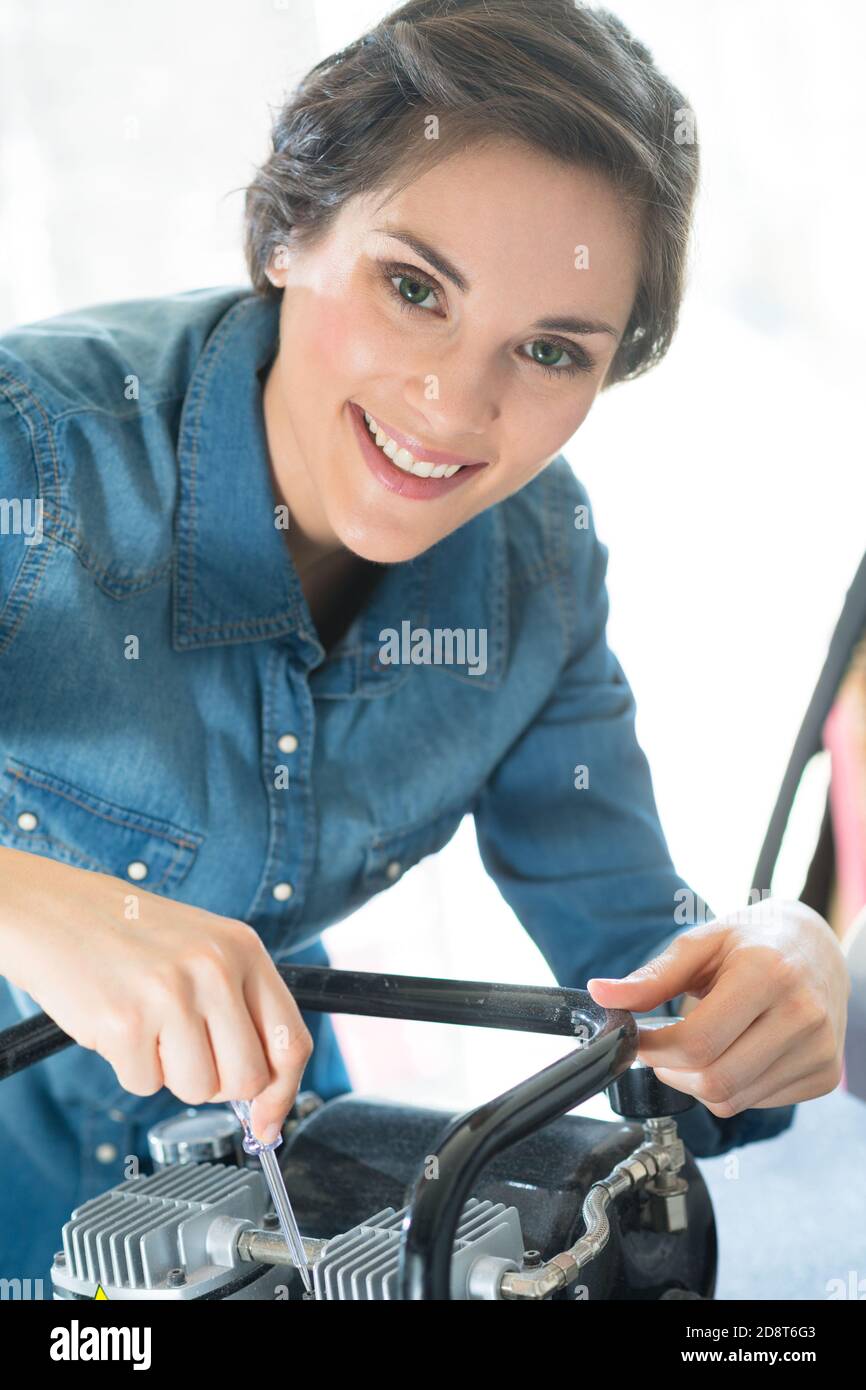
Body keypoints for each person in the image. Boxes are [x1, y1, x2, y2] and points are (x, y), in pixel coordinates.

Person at [0, 0, 848, 1284]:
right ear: (290, 229)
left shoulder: (536, 568)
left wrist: (774, 974)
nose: (456, 405)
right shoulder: (36, 451)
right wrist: (34, 904)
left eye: (550, 351)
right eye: (413, 288)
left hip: (270, 1174)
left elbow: (642, 972)